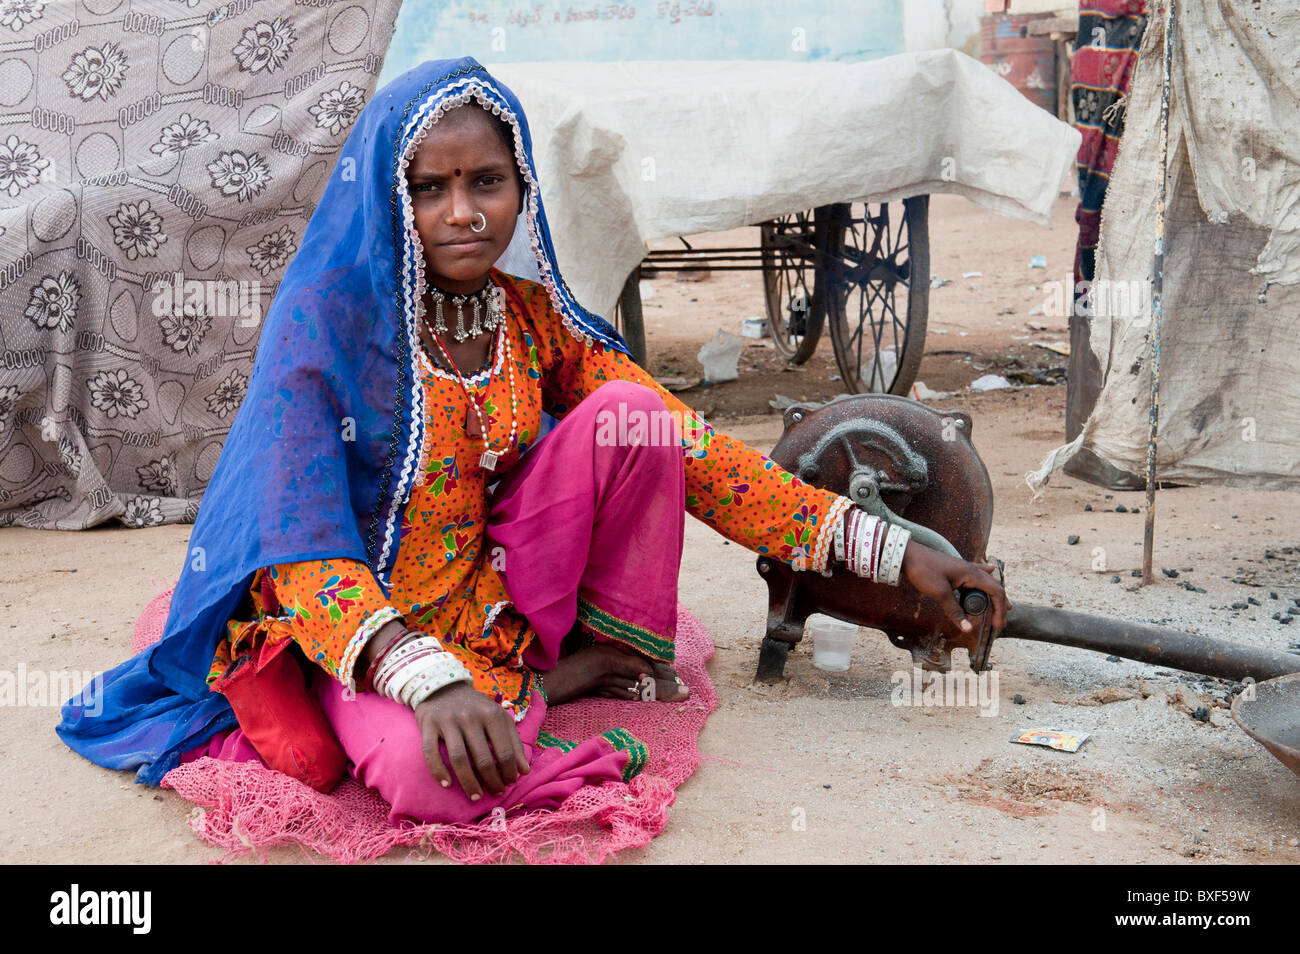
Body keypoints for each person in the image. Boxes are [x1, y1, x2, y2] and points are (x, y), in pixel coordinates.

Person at [58, 56, 1010, 826]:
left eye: (486, 182)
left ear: (522, 190)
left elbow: (695, 453)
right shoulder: (328, 331)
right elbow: (299, 546)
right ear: (392, 201)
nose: (462, 212)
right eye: (429, 189)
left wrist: (895, 551)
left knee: (631, 419)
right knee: (430, 784)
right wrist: (424, 682)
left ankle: (572, 661)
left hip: (490, 587)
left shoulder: (530, 318)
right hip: (359, 616)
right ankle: (539, 689)